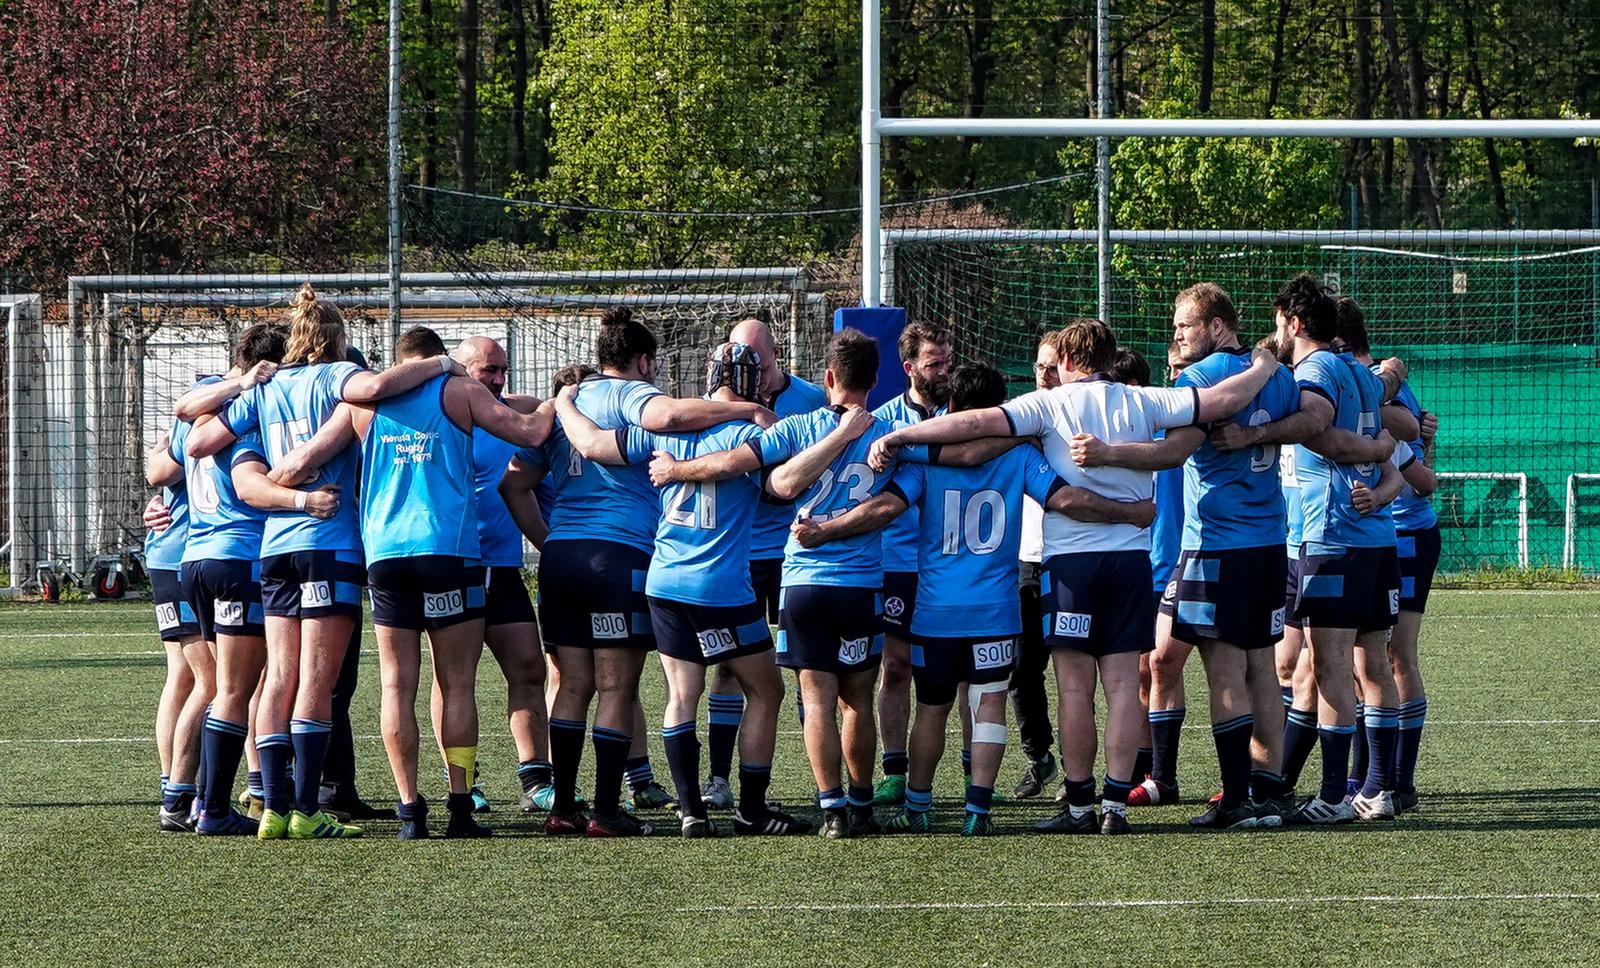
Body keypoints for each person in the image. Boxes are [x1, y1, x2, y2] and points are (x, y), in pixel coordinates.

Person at [867, 318, 1280, 835]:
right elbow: (1220, 401)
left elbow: (972, 430)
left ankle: (1079, 804)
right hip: (1131, 561)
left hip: (1070, 565)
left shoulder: (1049, 404)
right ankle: (1115, 805)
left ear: (1064, 362)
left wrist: (901, 435)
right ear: (1109, 358)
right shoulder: (1143, 400)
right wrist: (1265, 362)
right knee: (1125, 685)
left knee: (1074, 690)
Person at [793, 362, 1154, 836]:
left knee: (933, 707)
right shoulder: (1021, 456)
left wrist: (827, 530)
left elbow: (884, 508)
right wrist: (1130, 513)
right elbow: (1067, 501)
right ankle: (978, 810)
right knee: (988, 704)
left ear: (954, 410)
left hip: (936, 610)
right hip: (996, 609)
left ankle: (918, 805)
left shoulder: (925, 459)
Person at [187, 285, 466, 841]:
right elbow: (379, 385)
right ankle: (308, 810)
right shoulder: (333, 377)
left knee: (279, 677)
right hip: (328, 542)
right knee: (317, 680)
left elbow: (199, 441)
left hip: (274, 547)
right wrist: (440, 361)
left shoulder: (264, 391)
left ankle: (270, 803)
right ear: (336, 340)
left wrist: (246, 398)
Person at [498, 306, 775, 838]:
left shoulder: (566, 404)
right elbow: (670, 419)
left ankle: (563, 809)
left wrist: (550, 541)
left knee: (572, 685)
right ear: (644, 361)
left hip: (562, 560)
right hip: (616, 559)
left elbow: (514, 483)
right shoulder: (632, 397)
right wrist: (742, 411)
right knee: (616, 687)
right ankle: (605, 811)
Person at [269, 325, 553, 839]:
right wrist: (568, 399)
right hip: (450, 550)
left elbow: (297, 464)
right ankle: (460, 806)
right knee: (457, 683)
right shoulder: (459, 389)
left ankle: (408, 812)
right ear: (439, 359)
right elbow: (529, 433)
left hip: (385, 555)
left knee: (397, 686)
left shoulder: (360, 404)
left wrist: (266, 490)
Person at [647, 328, 900, 839]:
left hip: (797, 581)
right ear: (875, 379)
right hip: (860, 582)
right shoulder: (894, 432)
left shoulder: (793, 425)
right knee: (855, 697)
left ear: (827, 377)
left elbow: (768, 478)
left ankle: (827, 811)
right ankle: (858, 804)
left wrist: (675, 469)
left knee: (813, 695)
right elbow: (899, 495)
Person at [554, 342, 814, 838]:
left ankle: (691, 811)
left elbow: (592, 444)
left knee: (681, 693)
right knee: (767, 689)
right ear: (754, 383)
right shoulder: (753, 432)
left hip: (663, 579)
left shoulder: (658, 433)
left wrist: (565, 402)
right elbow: (785, 488)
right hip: (719, 584)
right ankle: (752, 811)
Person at [1072, 284, 1303, 829]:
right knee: (1261, 671)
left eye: (1185, 326)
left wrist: (1108, 452)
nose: (1176, 335)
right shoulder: (1280, 375)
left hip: (1218, 544)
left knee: (1224, 670)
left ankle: (1236, 800)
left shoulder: (1200, 378)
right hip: (1270, 542)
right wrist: (1261, 432)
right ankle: (1272, 792)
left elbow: (1173, 452)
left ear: (1218, 327)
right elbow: (1314, 421)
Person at [1208, 276, 1405, 824]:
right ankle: (1377, 789)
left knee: (1330, 670)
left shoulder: (1317, 370)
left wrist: (1252, 435)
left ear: (1294, 324)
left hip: (1333, 538)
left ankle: (1336, 797)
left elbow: (1320, 427)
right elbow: (1389, 409)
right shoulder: (1358, 373)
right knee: (1371, 667)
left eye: (1278, 322)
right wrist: (1382, 433)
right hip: (1374, 541)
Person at [702, 317, 826, 812]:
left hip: (797, 553)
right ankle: (717, 777)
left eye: (757, 358)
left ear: (775, 355)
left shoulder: (812, 399)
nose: (747, 367)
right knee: (730, 669)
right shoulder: (709, 409)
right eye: (738, 357)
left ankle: (824, 785)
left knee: (809, 669)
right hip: (738, 554)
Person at [1338, 303, 1439, 813]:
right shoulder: (1358, 382)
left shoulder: (1379, 386)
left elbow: (1424, 482)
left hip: (1405, 536)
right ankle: (1364, 777)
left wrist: (1412, 445)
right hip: (1365, 538)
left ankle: (1399, 781)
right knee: (1361, 661)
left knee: (1395, 655)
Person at [449, 335, 556, 814]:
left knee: (530, 668)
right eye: (487, 370)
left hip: (505, 566)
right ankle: (463, 783)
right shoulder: (445, 413)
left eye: (502, 370)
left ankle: (536, 780)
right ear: (460, 369)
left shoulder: (510, 412)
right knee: (455, 680)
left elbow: (543, 410)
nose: (497, 379)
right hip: (458, 566)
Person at [868, 322, 953, 807]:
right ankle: (894, 770)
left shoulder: (966, 416)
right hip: (899, 562)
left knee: (962, 672)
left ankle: (972, 775)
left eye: (947, 360)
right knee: (896, 666)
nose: (944, 370)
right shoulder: (882, 425)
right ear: (909, 368)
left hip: (955, 565)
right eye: (933, 362)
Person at [1009, 333, 1063, 799]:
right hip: (1026, 560)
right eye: (1040, 366)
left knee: (1079, 670)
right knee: (1022, 668)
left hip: (1072, 558)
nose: (1045, 375)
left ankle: (1090, 772)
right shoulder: (1022, 412)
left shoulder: (1075, 415)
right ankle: (1038, 757)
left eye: (1053, 366)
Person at [143, 420, 203, 832]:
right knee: (211, 681)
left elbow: (158, 470)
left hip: (171, 555)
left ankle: (176, 789)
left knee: (182, 677)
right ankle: (179, 794)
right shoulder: (210, 405)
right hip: (181, 556)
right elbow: (159, 469)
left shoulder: (201, 405)